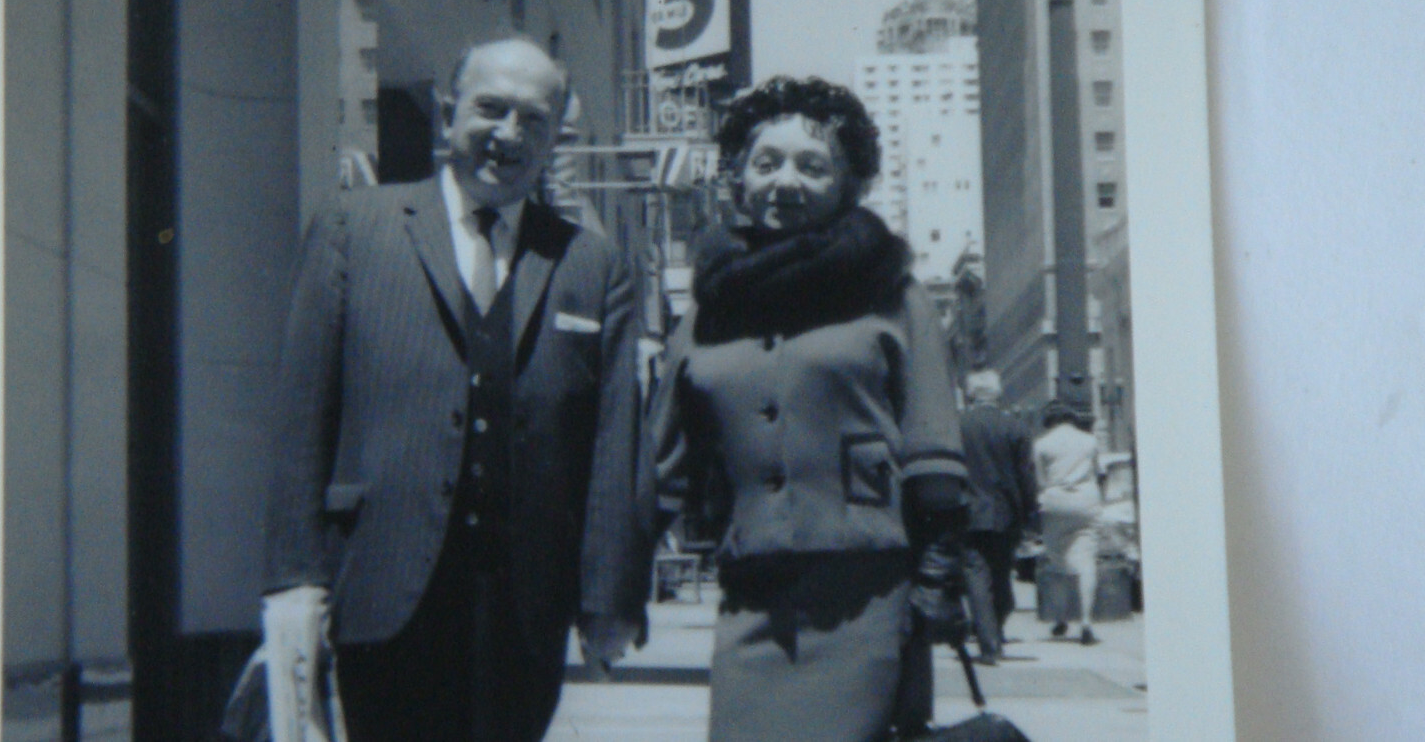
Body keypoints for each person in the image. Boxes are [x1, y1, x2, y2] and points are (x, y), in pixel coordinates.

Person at [260, 36, 649, 741]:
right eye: (491, 110)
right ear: (447, 115)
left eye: (534, 120)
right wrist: (295, 578)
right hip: (382, 587)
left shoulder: (590, 263)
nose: (509, 135)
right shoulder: (356, 227)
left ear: (556, 136)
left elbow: (613, 440)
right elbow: (302, 414)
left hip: (525, 601)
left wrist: (610, 597)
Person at [650, 76, 972, 742]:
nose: (785, 181)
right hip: (751, 600)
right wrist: (613, 591)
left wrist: (939, 576)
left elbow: (933, 441)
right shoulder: (706, 311)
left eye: (812, 164)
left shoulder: (894, 290)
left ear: (850, 182)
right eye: (766, 164)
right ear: (739, 178)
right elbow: (658, 468)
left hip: (866, 600)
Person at [957, 369, 1037, 665]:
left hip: (967, 511)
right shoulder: (1015, 427)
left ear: (970, 393)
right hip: (1006, 513)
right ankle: (995, 630)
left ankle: (989, 644)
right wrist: (1031, 513)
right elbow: (1026, 474)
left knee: (976, 576)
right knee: (1002, 575)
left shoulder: (957, 425)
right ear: (998, 393)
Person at [1033, 399, 1104, 646]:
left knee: (1057, 562)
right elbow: (1098, 471)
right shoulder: (1090, 441)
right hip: (1086, 501)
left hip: (1055, 502)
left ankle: (1061, 618)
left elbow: (1041, 480)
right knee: (1086, 561)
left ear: (1049, 421)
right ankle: (1086, 622)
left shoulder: (1042, 444)